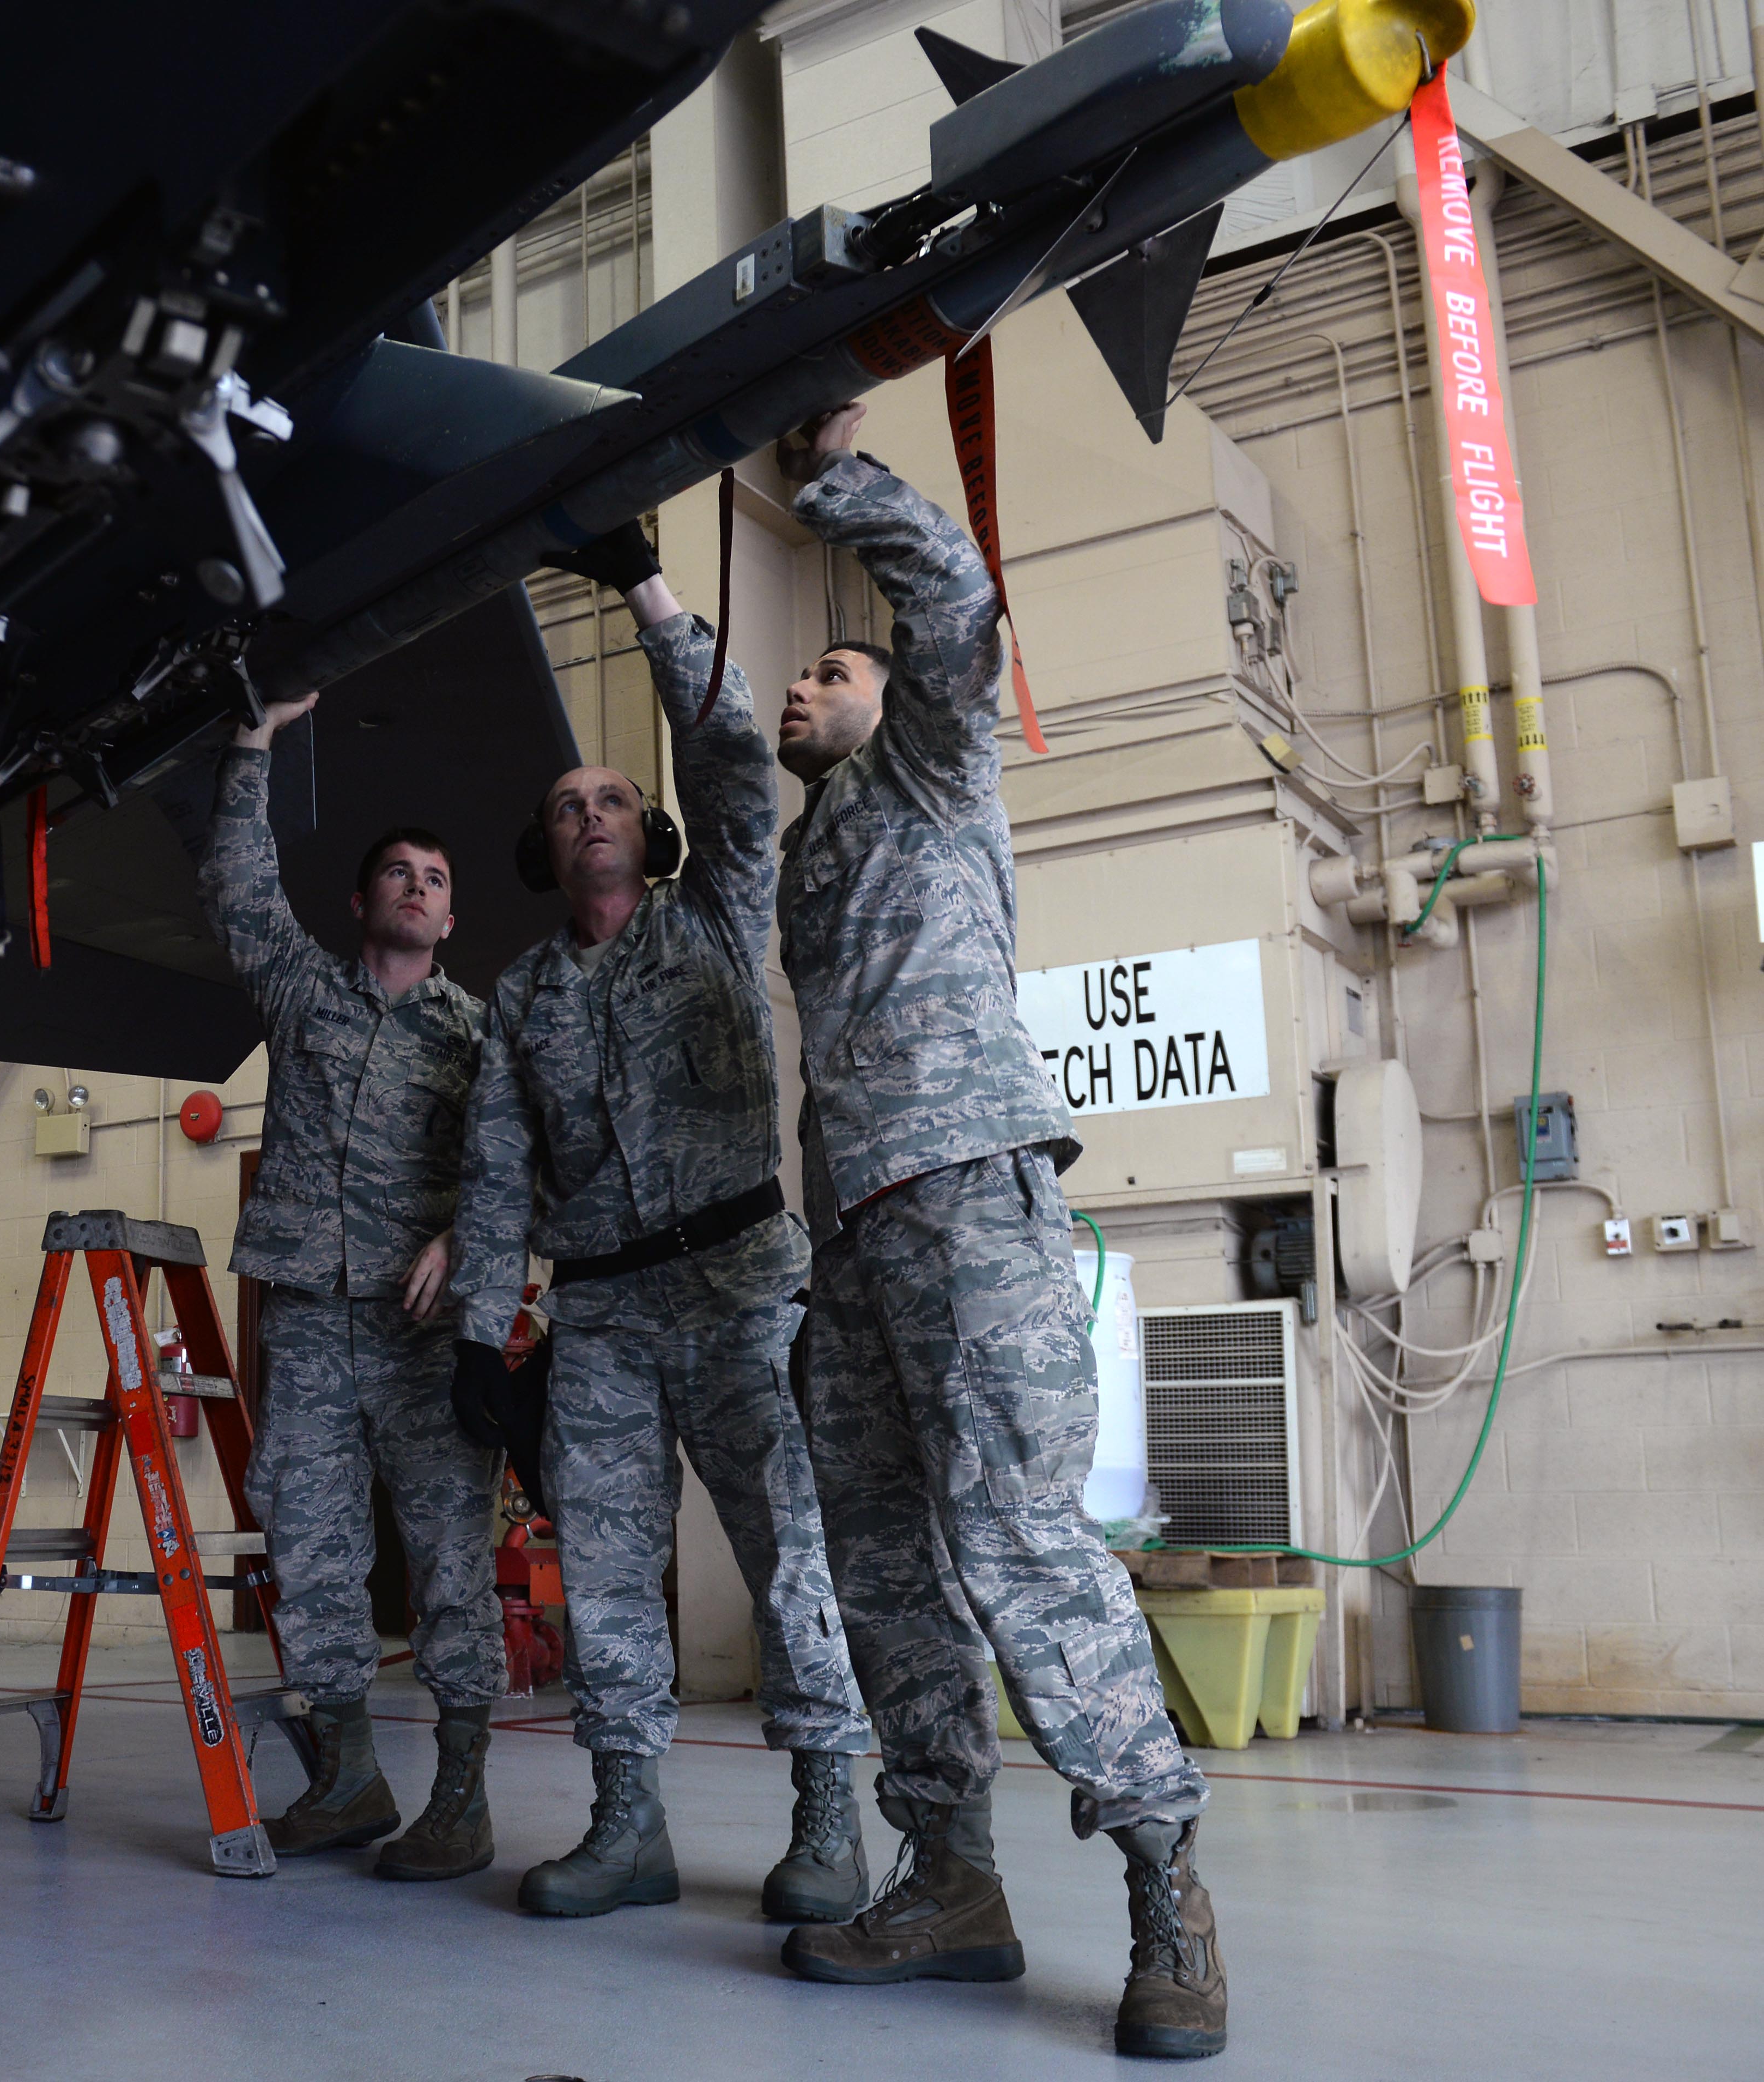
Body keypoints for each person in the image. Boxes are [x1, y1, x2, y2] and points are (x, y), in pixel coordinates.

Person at [767, 402, 1223, 2061]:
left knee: (1022, 1544)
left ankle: (1167, 1892)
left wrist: (834, 467)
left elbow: (953, 605)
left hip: (970, 1198)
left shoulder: (938, 769)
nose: (798, 692)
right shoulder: (808, 862)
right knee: (882, 1573)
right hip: (856, 1241)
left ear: (890, 700)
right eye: (794, 682)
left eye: (827, 672)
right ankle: (950, 1877)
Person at [450, 521, 873, 1923]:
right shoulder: (521, 999)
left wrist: (648, 595)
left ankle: (830, 1820)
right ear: (544, 845)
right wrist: (481, 1328)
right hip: (608, 1317)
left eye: (612, 797)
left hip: (746, 1282)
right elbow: (500, 1168)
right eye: (565, 803)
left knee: (791, 1552)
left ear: (653, 828)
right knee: (613, 1569)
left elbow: (740, 765)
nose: (588, 812)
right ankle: (629, 1824)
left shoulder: (715, 908)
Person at [202, 692, 506, 1881]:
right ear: (363, 900)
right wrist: (251, 747)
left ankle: (465, 1797)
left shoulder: (478, 1034)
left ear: (451, 908)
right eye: (398, 871)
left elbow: (517, 1163)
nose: (419, 886)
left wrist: (466, 1243)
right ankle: (346, 1776)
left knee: (448, 1559)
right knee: (311, 1543)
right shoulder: (302, 993)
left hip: (422, 1331)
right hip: (311, 1321)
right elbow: (238, 884)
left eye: (436, 875)